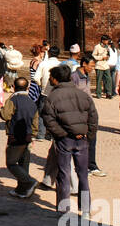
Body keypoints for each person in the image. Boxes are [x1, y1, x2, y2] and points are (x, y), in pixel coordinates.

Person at [41, 64, 98, 213]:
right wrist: (88, 135)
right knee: (83, 175)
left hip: (64, 140)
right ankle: (85, 208)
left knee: (64, 174)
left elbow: (49, 120)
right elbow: (93, 117)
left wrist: (62, 134)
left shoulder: (53, 97)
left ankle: (63, 208)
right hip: (82, 139)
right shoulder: (83, 95)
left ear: (55, 79)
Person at [0, 75, 40, 198]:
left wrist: (0, 108)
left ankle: (30, 181)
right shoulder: (32, 102)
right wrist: (33, 135)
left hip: (15, 136)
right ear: (27, 88)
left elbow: (6, 116)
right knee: (23, 164)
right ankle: (21, 189)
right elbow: (35, 121)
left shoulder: (13, 100)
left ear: (13, 87)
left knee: (11, 163)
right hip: (28, 137)